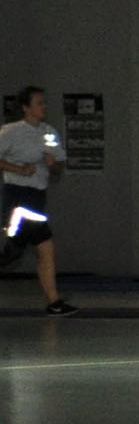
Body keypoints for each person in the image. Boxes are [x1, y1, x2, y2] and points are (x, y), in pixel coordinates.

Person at [0, 86, 78, 316]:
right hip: (18, 198)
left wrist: (54, 165)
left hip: (36, 197)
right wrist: (18, 168)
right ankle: (54, 301)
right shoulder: (11, 132)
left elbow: (59, 166)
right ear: (26, 108)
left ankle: (54, 301)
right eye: (39, 103)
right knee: (44, 246)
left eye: (45, 103)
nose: (44, 107)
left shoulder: (48, 133)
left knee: (16, 253)